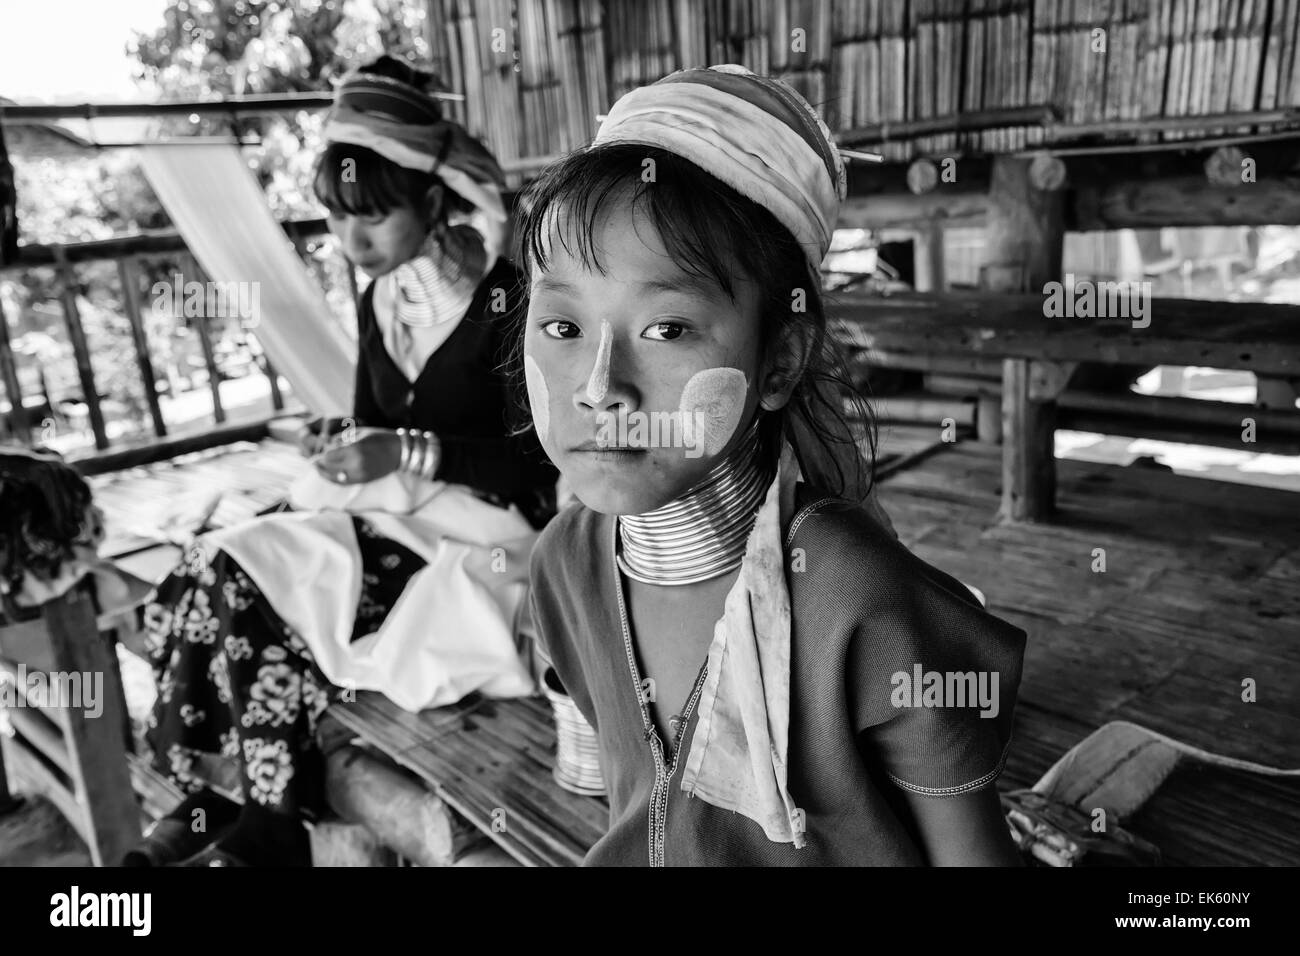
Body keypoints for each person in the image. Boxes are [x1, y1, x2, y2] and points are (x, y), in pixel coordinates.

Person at [520, 65, 1027, 866]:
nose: (597, 388)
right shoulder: (562, 569)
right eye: (560, 326)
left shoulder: (858, 599)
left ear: (780, 362)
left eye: (668, 329)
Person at [127, 55, 556, 867]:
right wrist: (345, 437)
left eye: (373, 217)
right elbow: (370, 422)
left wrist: (406, 450)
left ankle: (248, 816)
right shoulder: (378, 297)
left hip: (481, 539)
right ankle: (233, 802)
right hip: (390, 513)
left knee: (250, 574)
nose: (350, 240)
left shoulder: (509, 300)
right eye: (334, 217)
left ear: (432, 199)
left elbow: (539, 467)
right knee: (207, 565)